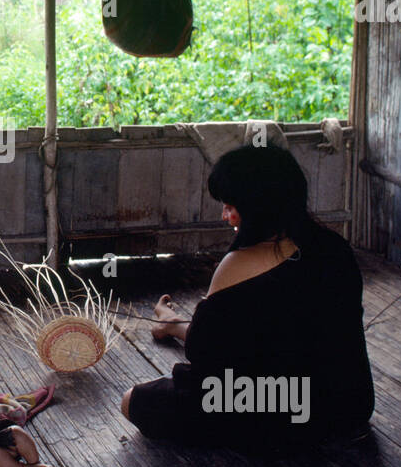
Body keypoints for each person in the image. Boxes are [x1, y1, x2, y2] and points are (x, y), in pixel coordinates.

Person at [121, 143, 374, 448]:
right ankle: (172, 324)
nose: (225, 216)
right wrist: (174, 325)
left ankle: (172, 328)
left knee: (132, 400)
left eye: (230, 206)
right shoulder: (334, 247)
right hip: (347, 404)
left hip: (283, 412)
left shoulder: (238, 265)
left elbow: (205, 355)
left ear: (257, 207)